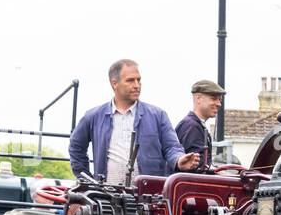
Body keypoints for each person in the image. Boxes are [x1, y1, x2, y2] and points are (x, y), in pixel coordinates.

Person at [69, 59, 200, 182]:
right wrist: (87, 180)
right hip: (106, 196)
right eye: (130, 80)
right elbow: (76, 147)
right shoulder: (93, 116)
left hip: (147, 198)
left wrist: (178, 159)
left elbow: (172, 147)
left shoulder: (158, 115)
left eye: (139, 80)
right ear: (114, 83)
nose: (137, 85)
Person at [174, 79, 226, 166]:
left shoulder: (195, 125)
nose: (219, 104)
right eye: (214, 98)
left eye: (219, 100)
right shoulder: (192, 127)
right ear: (198, 98)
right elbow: (197, 168)